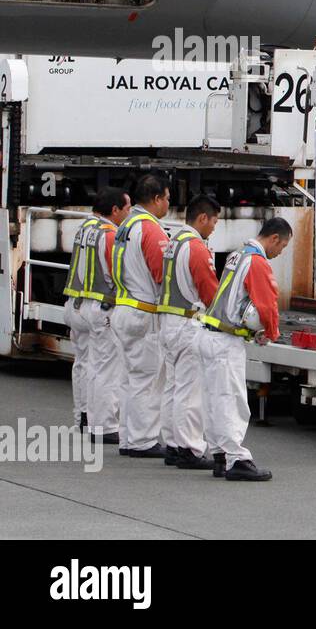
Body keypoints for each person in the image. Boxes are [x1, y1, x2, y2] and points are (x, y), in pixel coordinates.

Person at [198, 217, 292, 482]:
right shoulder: (257, 262)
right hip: (226, 341)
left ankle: (220, 455)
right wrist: (271, 332)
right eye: (282, 246)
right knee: (232, 400)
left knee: (213, 399)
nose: (280, 253)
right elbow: (266, 303)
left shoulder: (237, 255)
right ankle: (237, 460)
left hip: (208, 333)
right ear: (274, 238)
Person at [158, 196, 222, 470]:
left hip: (168, 321)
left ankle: (172, 444)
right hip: (187, 323)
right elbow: (210, 292)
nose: (214, 228)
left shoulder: (173, 242)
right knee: (190, 390)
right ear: (203, 218)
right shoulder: (196, 247)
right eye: (215, 222)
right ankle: (189, 449)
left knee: (172, 387)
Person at [111, 174, 172, 458]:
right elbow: (163, 275)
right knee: (148, 380)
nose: (168, 204)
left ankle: (128, 436)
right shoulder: (151, 229)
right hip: (143, 310)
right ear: (157, 199)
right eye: (168, 198)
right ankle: (143, 440)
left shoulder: (124, 226)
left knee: (128, 378)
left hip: (122, 307)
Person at [76, 188, 131, 445]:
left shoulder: (85, 228)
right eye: (127, 208)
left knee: (86, 364)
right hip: (101, 306)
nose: (129, 213)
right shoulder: (109, 234)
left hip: (79, 303)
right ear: (115, 210)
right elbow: (117, 273)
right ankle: (105, 425)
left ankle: (84, 415)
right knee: (107, 367)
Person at [62, 214, 100, 430]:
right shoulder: (104, 232)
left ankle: (81, 415)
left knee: (81, 362)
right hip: (89, 302)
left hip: (73, 300)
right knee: (98, 364)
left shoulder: (84, 226)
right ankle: (90, 414)